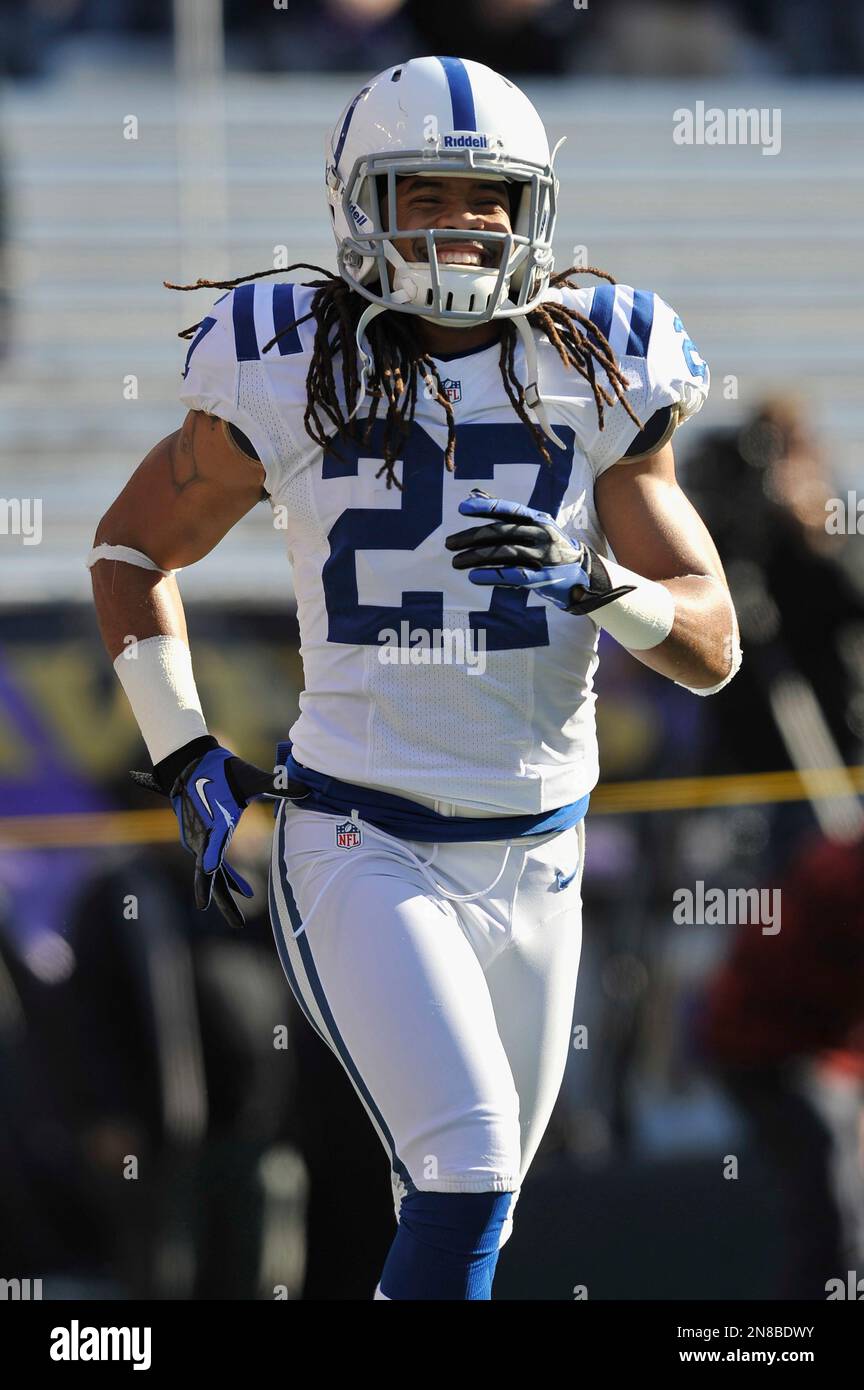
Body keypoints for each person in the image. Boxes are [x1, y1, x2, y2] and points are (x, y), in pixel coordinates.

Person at [89, 55, 740, 1301]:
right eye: (426, 196)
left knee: (461, 1201)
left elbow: (712, 648)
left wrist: (611, 588)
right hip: (362, 838)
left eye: (489, 198)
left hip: (543, 853)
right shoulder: (284, 361)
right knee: (469, 1169)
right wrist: (179, 745)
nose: (463, 227)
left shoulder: (600, 365)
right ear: (357, 208)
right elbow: (130, 551)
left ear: (536, 209)